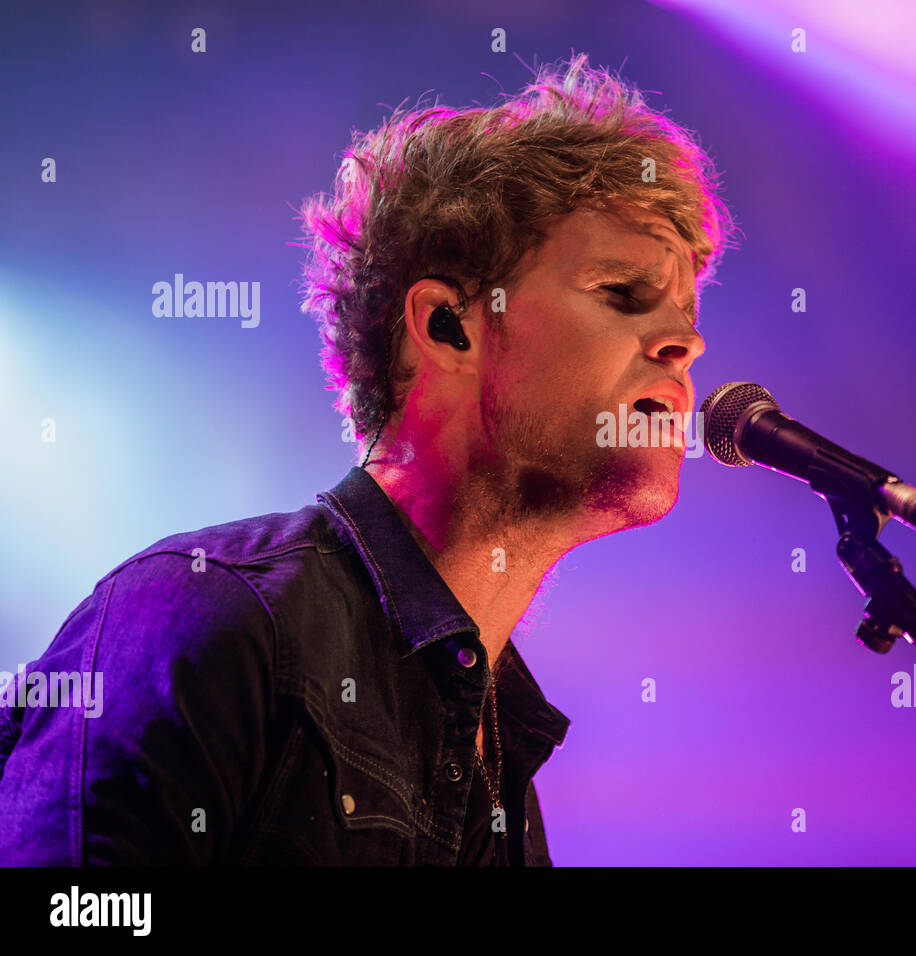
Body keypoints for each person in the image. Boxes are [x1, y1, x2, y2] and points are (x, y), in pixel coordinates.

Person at [0, 53, 737, 866]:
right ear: (450, 326)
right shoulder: (211, 615)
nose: (687, 342)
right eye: (622, 294)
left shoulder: (508, 773)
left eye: (687, 313)